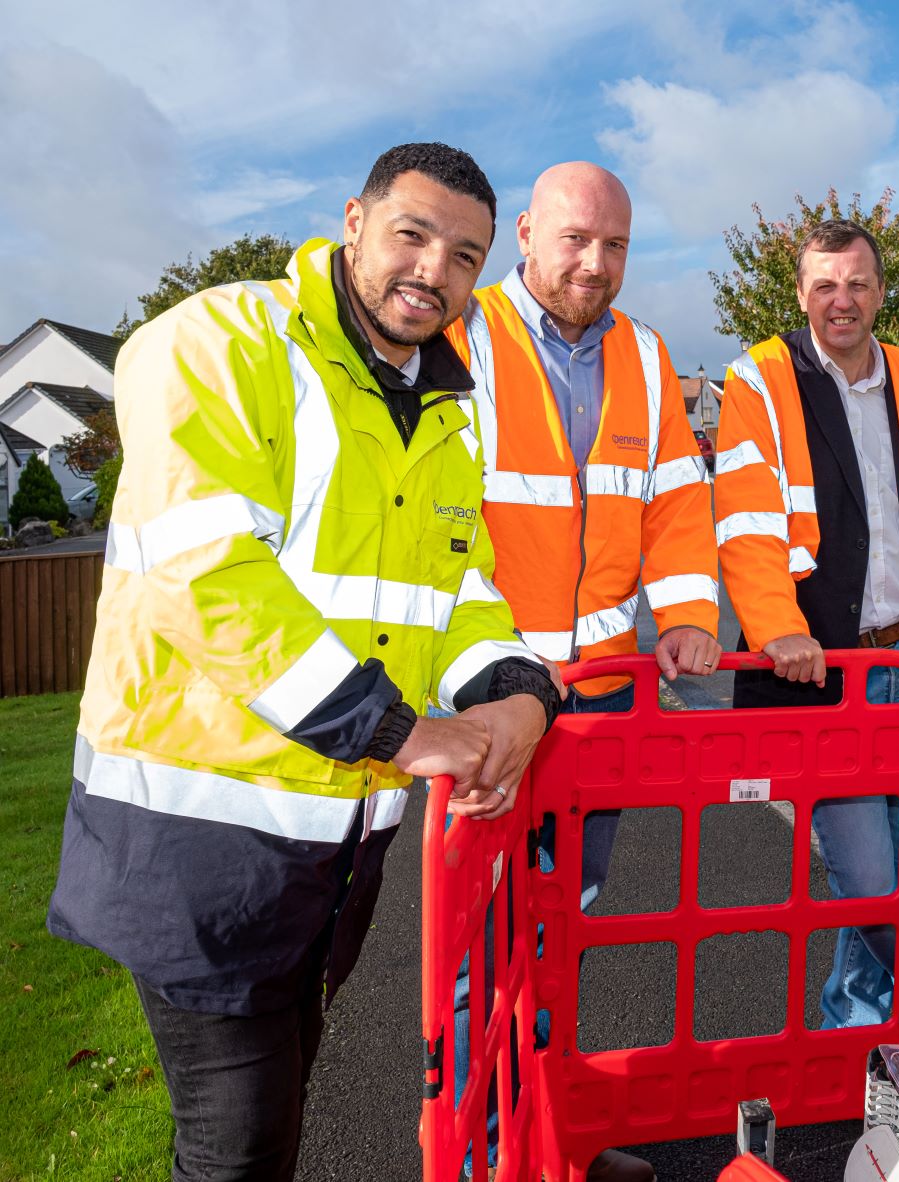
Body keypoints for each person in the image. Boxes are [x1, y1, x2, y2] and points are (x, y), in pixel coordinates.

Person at [46, 143, 559, 1182]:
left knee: (275, 1118)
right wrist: (403, 732)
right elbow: (207, 575)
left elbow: (457, 590)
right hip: (194, 842)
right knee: (237, 1147)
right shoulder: (220, 340)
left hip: (335, 853)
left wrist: (519, 692)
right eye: (411, 234)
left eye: (465, 256)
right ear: (353, 222)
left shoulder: (445, 406)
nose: (433, 270)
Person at [444, 161, 719, 1182]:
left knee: (562, 922)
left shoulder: (647, 355)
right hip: (482, 705)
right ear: (525, 234)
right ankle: (481, 1152)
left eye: (614, 247)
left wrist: (688, 614)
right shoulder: (458, 335)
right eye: (574, 240)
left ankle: (534, 1130)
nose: (594, 264)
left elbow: (679, 503)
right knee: (479, 943)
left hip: (598, 701)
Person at [714, 219, 899, 1028]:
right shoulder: (761, 382)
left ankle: (862, 1030)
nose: (842, 301)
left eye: (858, 284)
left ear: (881, 291)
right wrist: (776, 628)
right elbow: (746, 524)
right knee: (870, 879)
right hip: (824, 671)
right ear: (800, 294)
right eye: (825, 286)